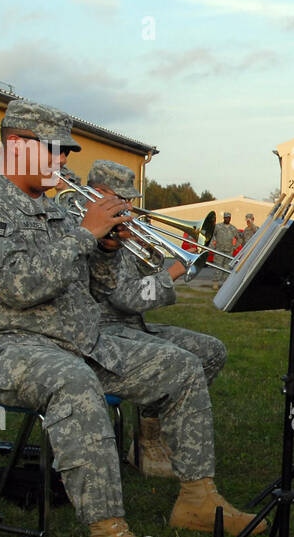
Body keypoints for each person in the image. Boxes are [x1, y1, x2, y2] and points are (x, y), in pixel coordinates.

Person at [0, 99, 261, 537]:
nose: (62, 160)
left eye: (66, 152)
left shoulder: (54, 211)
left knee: (181, 365)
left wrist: (106, 248)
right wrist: (86, 235)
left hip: (72, 338)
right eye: (53, 149)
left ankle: (197, 499)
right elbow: (16, 290)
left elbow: (101, 288)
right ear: (17, 146)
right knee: (73, 382)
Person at [85, 160, 229, 477]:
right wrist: (176, 270)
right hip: (104, 333)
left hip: (133, 327)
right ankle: (151, 446)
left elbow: (141, 280)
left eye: (129, 199)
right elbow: (127, 298)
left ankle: (151, 431)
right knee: (179, 360)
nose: (128, 206)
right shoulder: (87, 233)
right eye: (120, 198)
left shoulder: (118, 229)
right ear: (97, 193)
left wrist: (147, 250)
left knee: (212, 350)